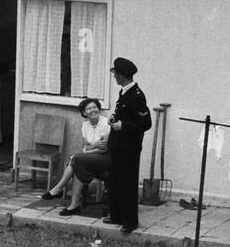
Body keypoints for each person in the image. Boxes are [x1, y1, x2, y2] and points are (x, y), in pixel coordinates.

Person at [104, 58, 151, 234]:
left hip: (129, 148)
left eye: (115, 73)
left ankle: (130, 221)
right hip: (118, 145)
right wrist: (113, 119)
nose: (114, 76)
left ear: (123, 75)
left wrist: (123, 126)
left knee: (127, 183)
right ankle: (116, 214)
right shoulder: (124, 92)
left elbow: (145, 123)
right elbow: (125, 114)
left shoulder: (137, 95)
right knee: (114, 180)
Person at [43, 97, 111, 214]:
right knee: (77, 163)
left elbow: (104, 149)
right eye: (89, 108)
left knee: (77, 159)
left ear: (99, 109)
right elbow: (85, 147)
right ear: (84, 113)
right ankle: (73, 205)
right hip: (93, 158)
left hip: (106, 159)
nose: (93, 110)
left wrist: (89, 149)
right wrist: (93, 146)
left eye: (95, 107)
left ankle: (58, 189)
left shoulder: (106, 124)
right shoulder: (85, 126)